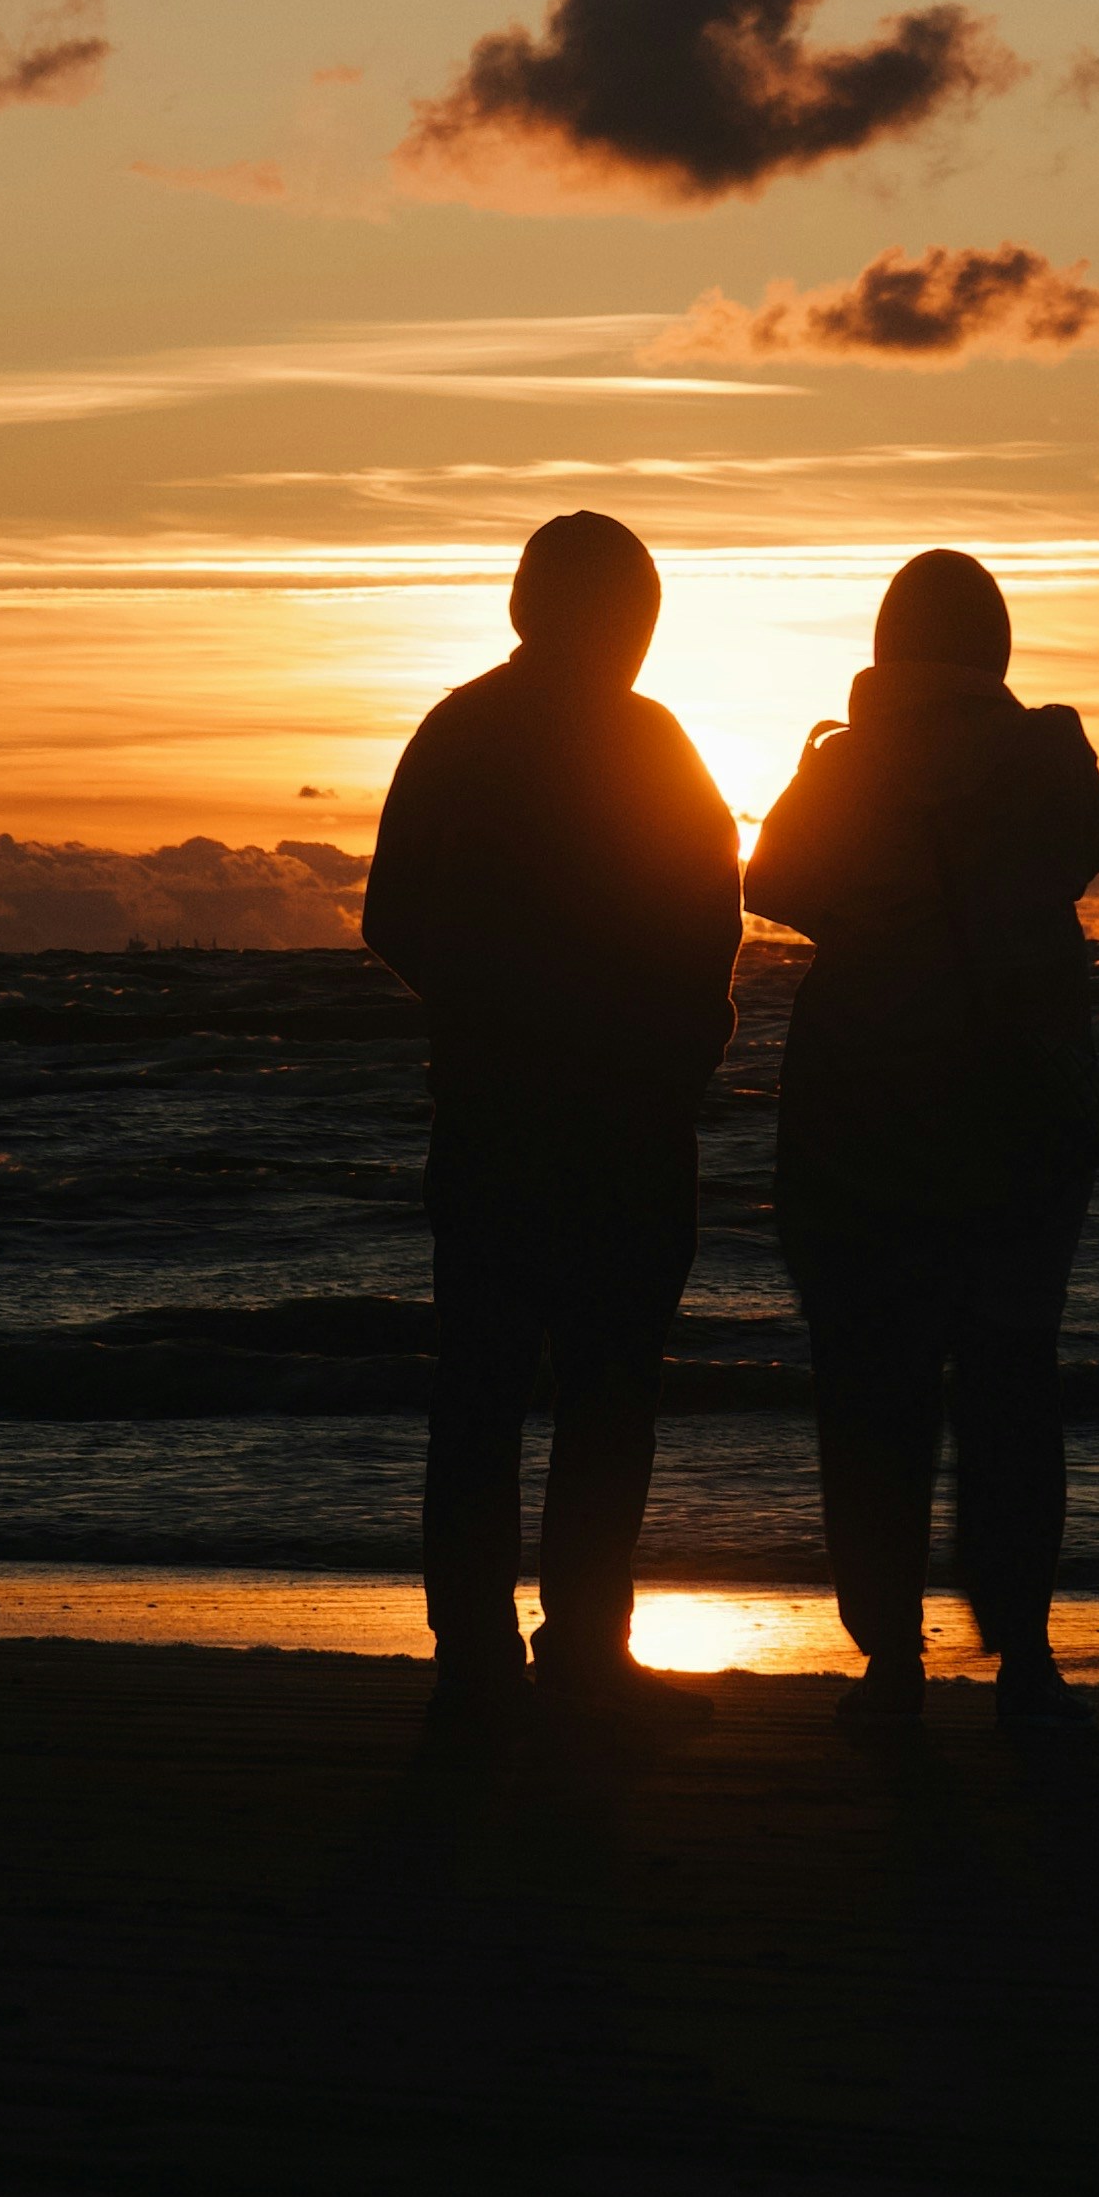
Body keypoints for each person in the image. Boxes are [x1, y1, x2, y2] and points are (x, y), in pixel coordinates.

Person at [361, 512, 745, 1731]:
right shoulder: (652, 742)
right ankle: (582, 1639)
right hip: (624, 1117)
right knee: (608, 1383)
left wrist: (479, 1003)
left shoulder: (458, 732)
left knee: (483, 1382)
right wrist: (681, 1045)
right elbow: (709, 923)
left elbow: (389, 916)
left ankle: (475, 1643)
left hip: (496, 1108)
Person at [743, 548, 1099, 1730]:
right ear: (994, 647)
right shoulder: (1045, 754)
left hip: (863, 1116)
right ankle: (1024, 1643)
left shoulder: (845, 770)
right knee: (1013, 1370)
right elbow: (1094, 847)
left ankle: (891, 1648)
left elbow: (772, 879)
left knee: (872, 1383)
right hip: (1021, 1111)